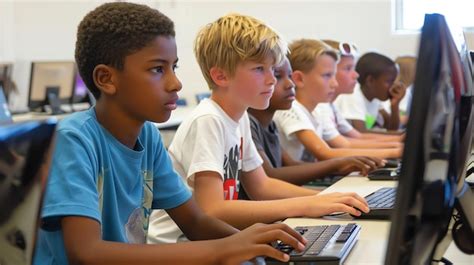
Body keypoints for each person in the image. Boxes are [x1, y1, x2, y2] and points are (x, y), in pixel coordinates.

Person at [33, 3, 307, 264]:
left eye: (173, 67)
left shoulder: (148, 137)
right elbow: (87, 254)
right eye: (157, 69)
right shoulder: (74, 140)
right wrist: (222, 250)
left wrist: (258, 247)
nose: (175, 83)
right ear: (106, 79)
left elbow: (196, 222)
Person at [148, 13, 370, 244]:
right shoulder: (208, 120)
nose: (271, 80)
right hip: (180, 245)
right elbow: (212, 210)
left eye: (271, 69)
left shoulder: (239, 116)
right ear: (221, 75)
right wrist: (307, 204)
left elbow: (261, 186)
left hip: (213, 240)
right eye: (259, 69)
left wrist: (327, 198)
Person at [247, 57, 384, 186]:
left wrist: (340, 166)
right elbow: (270, 175)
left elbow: (290, 164)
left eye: (289, 76)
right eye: (278, 76)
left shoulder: (269, 123)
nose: (290, 84)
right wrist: (335, 165)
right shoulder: (249, 123)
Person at [274, 39, 401, 162]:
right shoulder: (292, 110)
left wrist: (397, 145)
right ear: (299, 79)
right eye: (327, 75)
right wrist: (395, 151)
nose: (334, 84)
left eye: (334, 75)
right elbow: (325, 153)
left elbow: (348, 142)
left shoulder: (315, 111)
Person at [313, 40, 403, 143]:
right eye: (348, 68)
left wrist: (400, 139)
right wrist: (398, 145)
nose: (356, 75)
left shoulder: (330, 107)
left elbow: (358, 136)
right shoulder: (324, 107)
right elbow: (344, 144)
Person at [334, 52, 406, 133]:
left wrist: (395, 105)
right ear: (370, 81)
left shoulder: (374, 97)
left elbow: (392, 129)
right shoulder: (353, 95)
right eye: (389, 81)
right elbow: (361, 135)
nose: (393, 86)